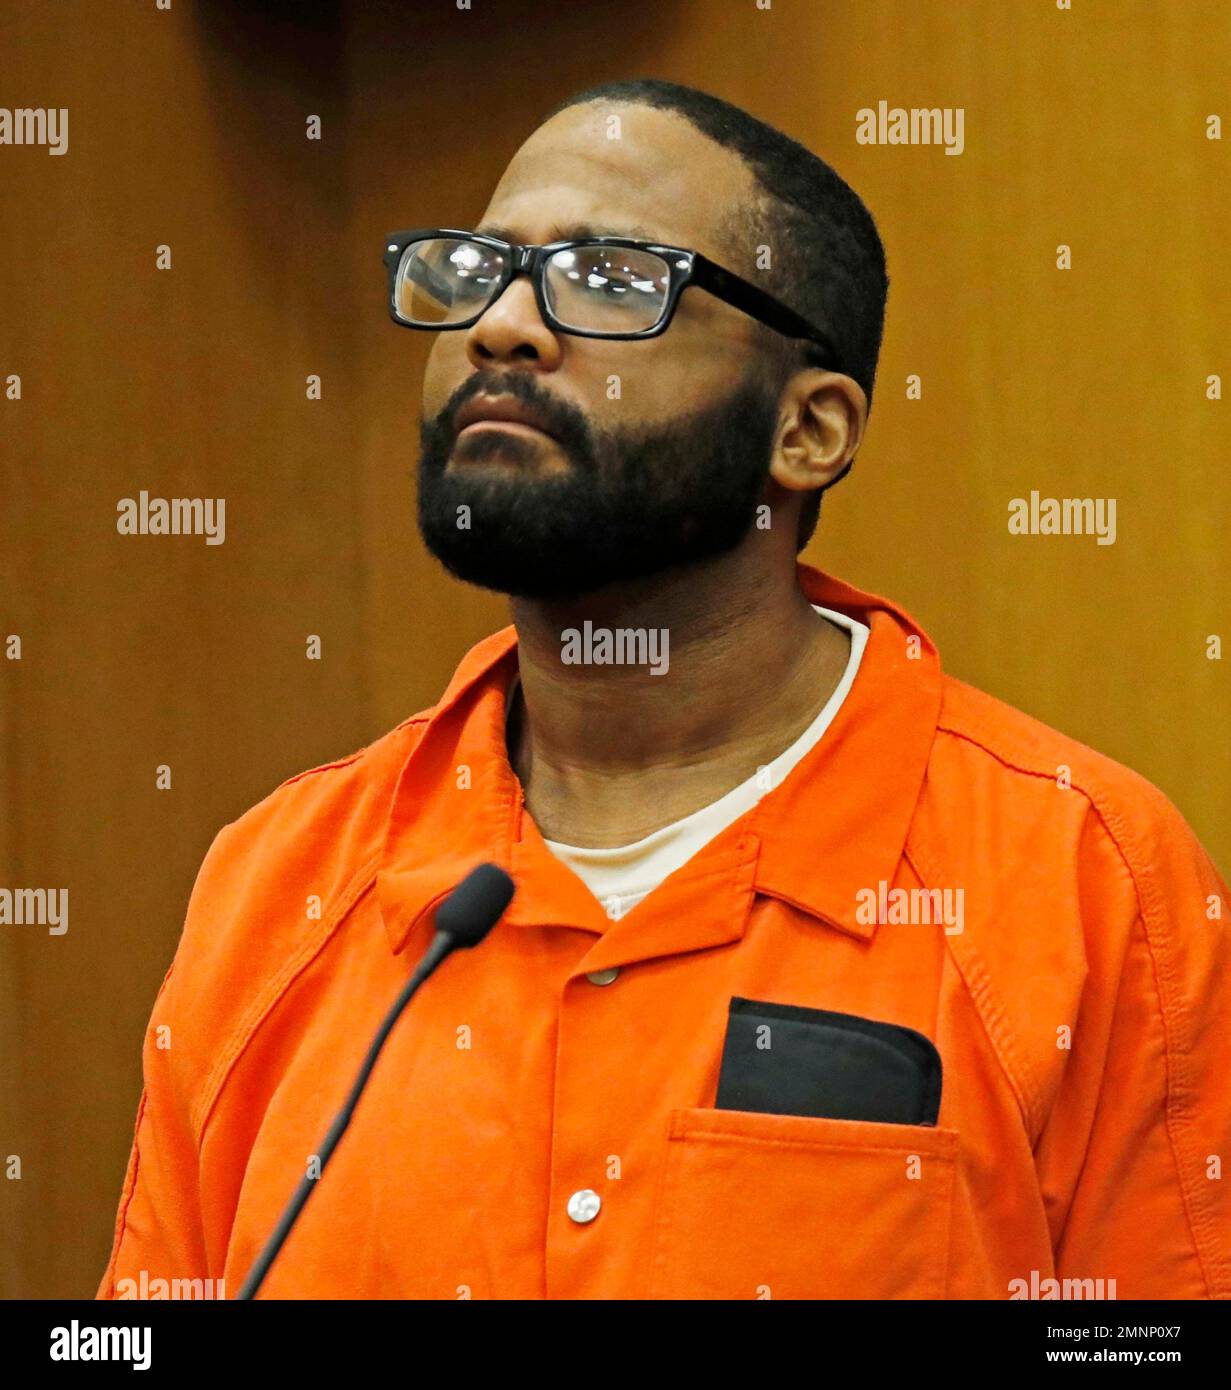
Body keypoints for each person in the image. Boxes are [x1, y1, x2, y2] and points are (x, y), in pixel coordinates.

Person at [99, 79, 1229, 1301]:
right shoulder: (277, 885)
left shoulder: (1079, 880)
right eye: (476, 271)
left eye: (609, 279)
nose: (501, 328)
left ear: (806, 431)